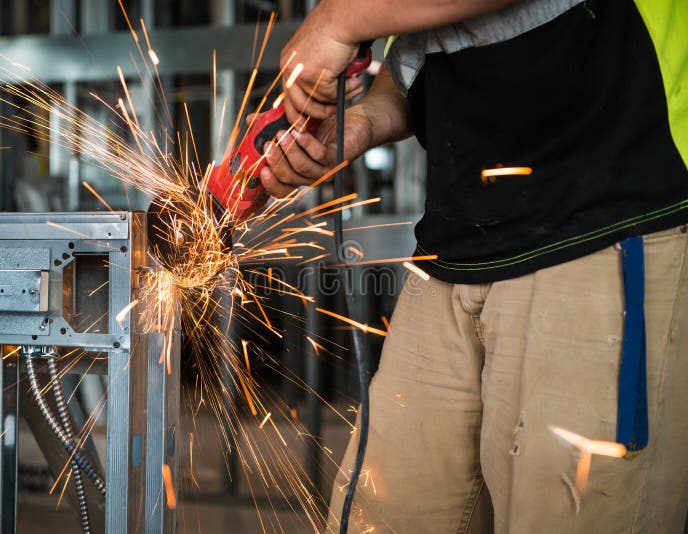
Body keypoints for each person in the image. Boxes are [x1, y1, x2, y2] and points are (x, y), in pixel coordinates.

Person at [259, 0, 688, 532]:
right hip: (452, 253)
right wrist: (365, 122)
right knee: (383, 513)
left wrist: (340, 18)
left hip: (601, 224)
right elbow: (430, 53)